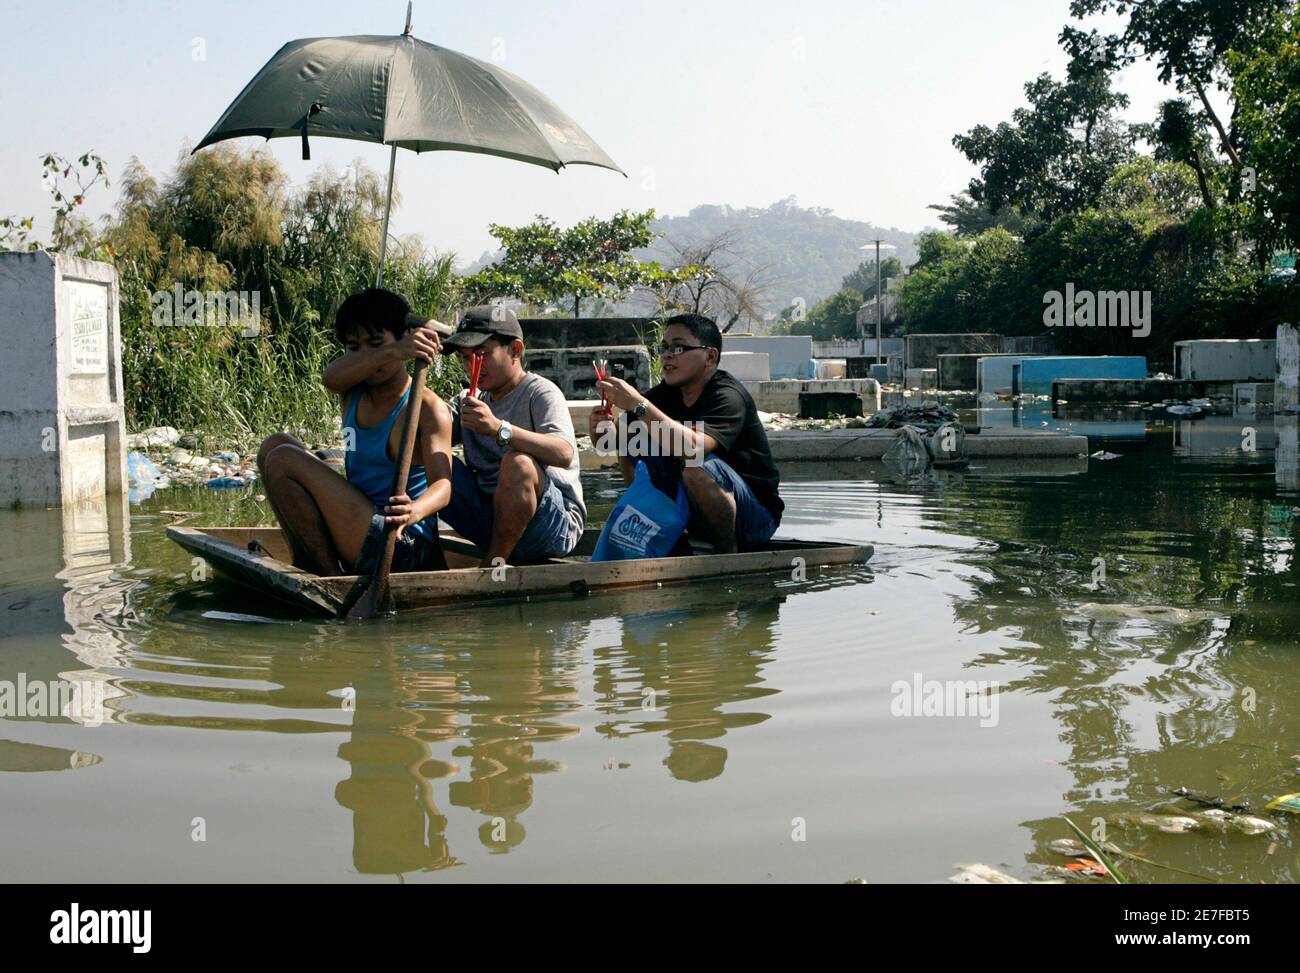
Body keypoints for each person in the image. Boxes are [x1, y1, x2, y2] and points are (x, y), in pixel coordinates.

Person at [257, 288, 454, 576]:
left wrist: (413, 511)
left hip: (401, 542)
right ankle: (310, 562)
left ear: (405, 339)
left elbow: (444, 488)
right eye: (354, 348)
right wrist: (388, 351)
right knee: (272, 446)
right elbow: (330, 377)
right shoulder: (353, 389)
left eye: (376, 343)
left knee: (283, 458)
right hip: (357, 526)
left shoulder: (426, 407)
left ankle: (330, 580)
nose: (367, 357)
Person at [591, 312, 783, 553]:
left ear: (710, 357)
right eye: (664, 348)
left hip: (754, 519)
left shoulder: (728, 396)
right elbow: (608, 441)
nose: (667, 355)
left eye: (679, 348)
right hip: (696, 514)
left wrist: (638, 404)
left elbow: (693, 448)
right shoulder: (666, 393)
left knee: (696, 465)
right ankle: (663, 536)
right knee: (632, 441)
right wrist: (599, 423)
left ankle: (727, 556)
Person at [439, 306, 585, 566]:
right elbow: (425, 433)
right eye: (464, 358)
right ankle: (419, 548)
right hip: (491, 519)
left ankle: (493, 564)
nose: (471, 366)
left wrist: (498, 429)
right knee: (430, 456)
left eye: (481, 355)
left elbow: (563, 453)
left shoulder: (540, 393)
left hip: (550, 526)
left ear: (515, 350)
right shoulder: (468, 400)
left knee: (518, 463)